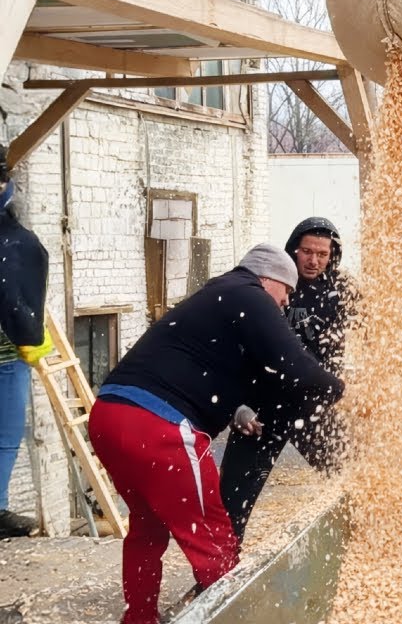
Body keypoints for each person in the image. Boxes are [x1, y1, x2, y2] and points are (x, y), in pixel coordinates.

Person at [88, 244, 344, 624]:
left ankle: (139, 618)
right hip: (159, 427)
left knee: (146, 529)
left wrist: (237, 408)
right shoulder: (250, 294)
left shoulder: (216, 295)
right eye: (286, 291)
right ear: (269, 278)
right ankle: (233, 616)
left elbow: (205, 363)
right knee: (213, 539)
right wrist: (345, 393)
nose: (286, 302)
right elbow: (294, 365)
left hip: (110, 414)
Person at [220, 218, 356, 542]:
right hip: (263, 404)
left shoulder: (343, 292)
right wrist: (237, 406)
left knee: (352, 471)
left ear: (332, 254)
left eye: (322, 254)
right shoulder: (272, 285)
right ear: (293, 250)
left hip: (312, 403)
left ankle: (363, 544)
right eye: (307, 251)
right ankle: (218, 568)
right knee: (233, 496)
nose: (313, 261)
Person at [0, 151, 51, 539]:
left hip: (9, 354)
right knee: (5, 436)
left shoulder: (16, 238)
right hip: (7, 356)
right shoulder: (15, 240)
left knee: (7, 435)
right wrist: (30, 333)